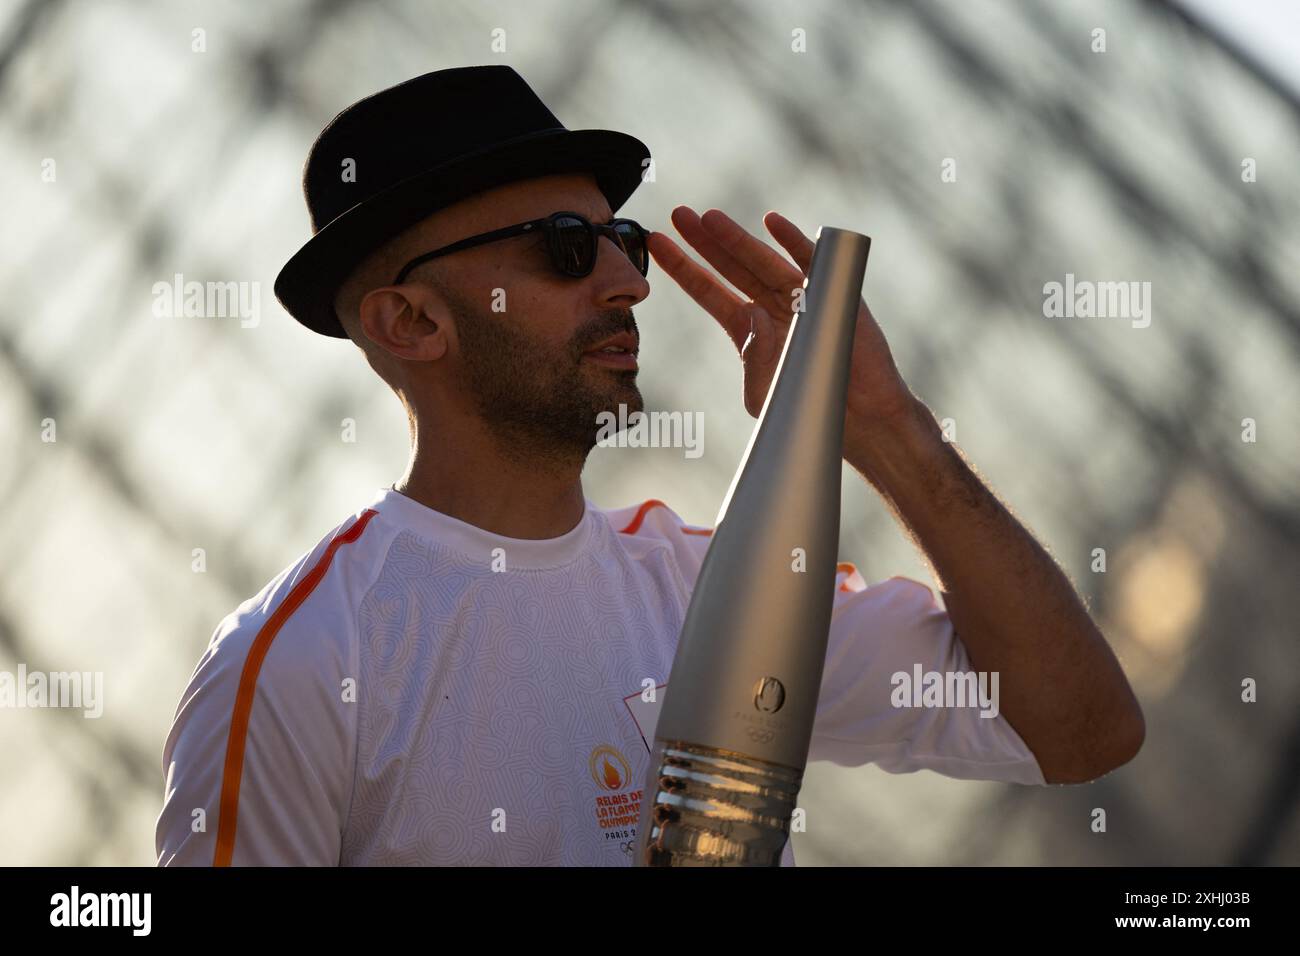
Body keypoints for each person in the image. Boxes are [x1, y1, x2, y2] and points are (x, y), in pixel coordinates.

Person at [155, 65, 1144, 866]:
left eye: (622, 238)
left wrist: (889, 432)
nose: (631, 282)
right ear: (411, 320)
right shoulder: (298, 665)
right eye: (568, 247)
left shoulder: (707, 588)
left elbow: (1080, 729)